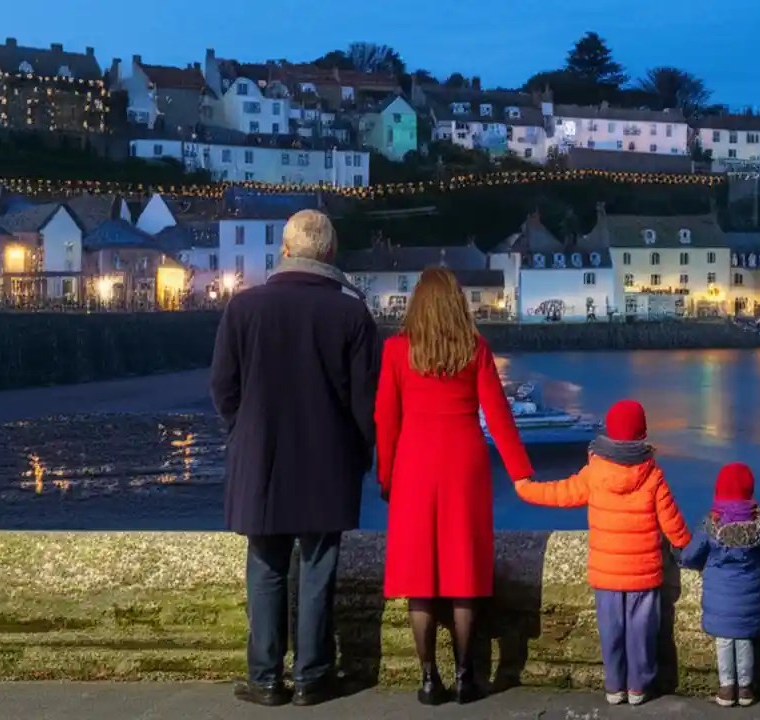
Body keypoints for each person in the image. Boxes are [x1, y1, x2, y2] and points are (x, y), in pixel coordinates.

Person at [210, 209, 379, 707]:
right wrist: (360, 453)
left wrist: (244, 431)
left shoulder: (243, 308)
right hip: (328, 458)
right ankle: (312, 675)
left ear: (284, 251)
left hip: (261, 457)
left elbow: (223, 388)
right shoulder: (352, 314)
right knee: (318, 566)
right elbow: (366, 402)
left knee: (266, 564)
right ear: (331, 253)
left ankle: (265, 677)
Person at [375, 267, 532, 706]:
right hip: (464, 462)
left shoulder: (396, 350)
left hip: (414, 464)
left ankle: (429, 679)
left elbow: (385, 418)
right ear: (457, 303)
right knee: (465, 570)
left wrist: (385, 475)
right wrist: (521, 472)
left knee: (419, 577)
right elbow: (498, 415)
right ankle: (466, 676)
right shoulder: (474, 349)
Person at [515, 400, 690, 706]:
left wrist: (524, 487)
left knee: (611, 632)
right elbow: (671, 522)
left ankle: (614, 686)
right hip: (643, 575)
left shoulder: (595, 472)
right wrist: (688, 545)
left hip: (606, 575)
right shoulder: (652, 475)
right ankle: (638, 687)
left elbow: (560, 493)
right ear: (642, 433)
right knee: (642, 633)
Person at [680, 462, 760, 708]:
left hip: (720, 601)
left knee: (724, 641)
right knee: (744, 641)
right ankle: (745, 688)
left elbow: (690, 556)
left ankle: (726, 687)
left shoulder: (711, 526)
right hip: (749, 600)